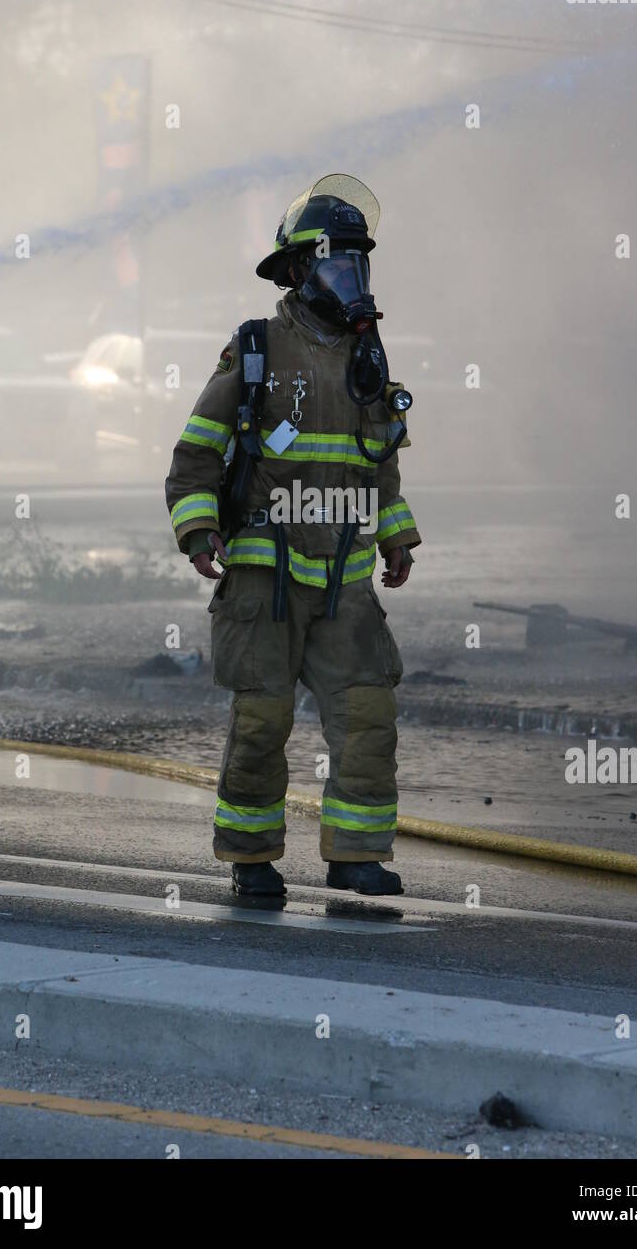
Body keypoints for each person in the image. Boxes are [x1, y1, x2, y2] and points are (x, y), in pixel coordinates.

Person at [165, 174, 420, 897]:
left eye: (358, 266)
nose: (352, 281)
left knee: (368, 714)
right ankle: (251, 861)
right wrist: (199, 534)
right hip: (262, 578)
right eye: (338, 265)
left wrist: (397, 537)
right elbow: (194, 458)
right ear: (300, 271)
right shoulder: (256, 351)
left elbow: (381, 468)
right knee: (262, 722)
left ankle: (357, 855)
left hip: (344, 580)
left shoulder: (368, 361)